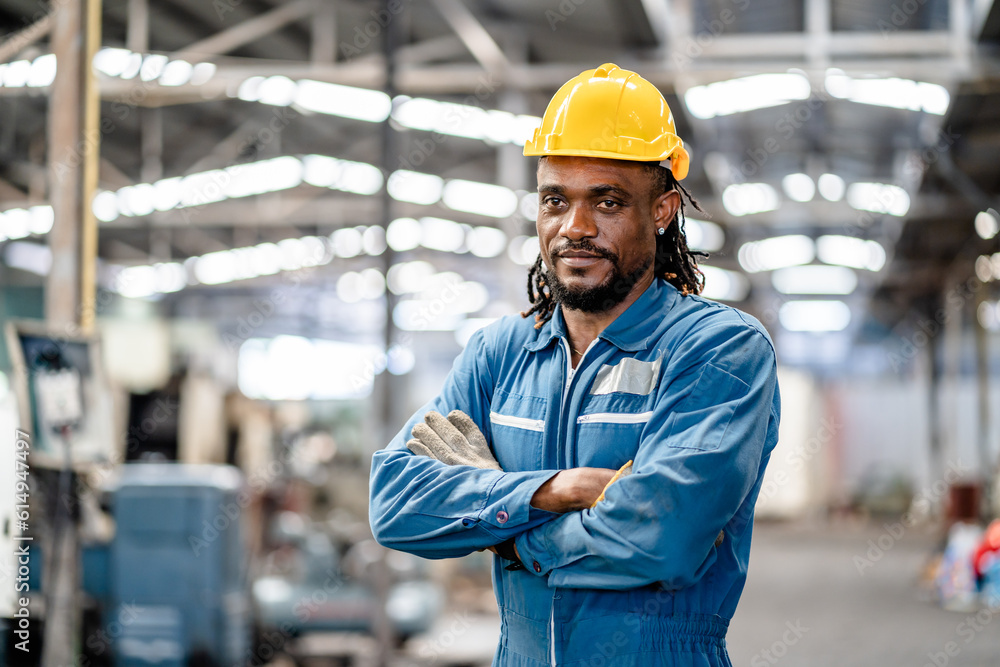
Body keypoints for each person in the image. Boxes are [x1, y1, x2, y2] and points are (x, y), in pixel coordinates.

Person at [369, 63, 780, 667]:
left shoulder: (717, 350)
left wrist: (505, 532)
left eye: (607, 201)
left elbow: (661, 538)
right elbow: (395, 504)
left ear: (663, 210)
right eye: (554, 200)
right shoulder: (500, 353)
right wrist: (557, 490)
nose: (575, 228)